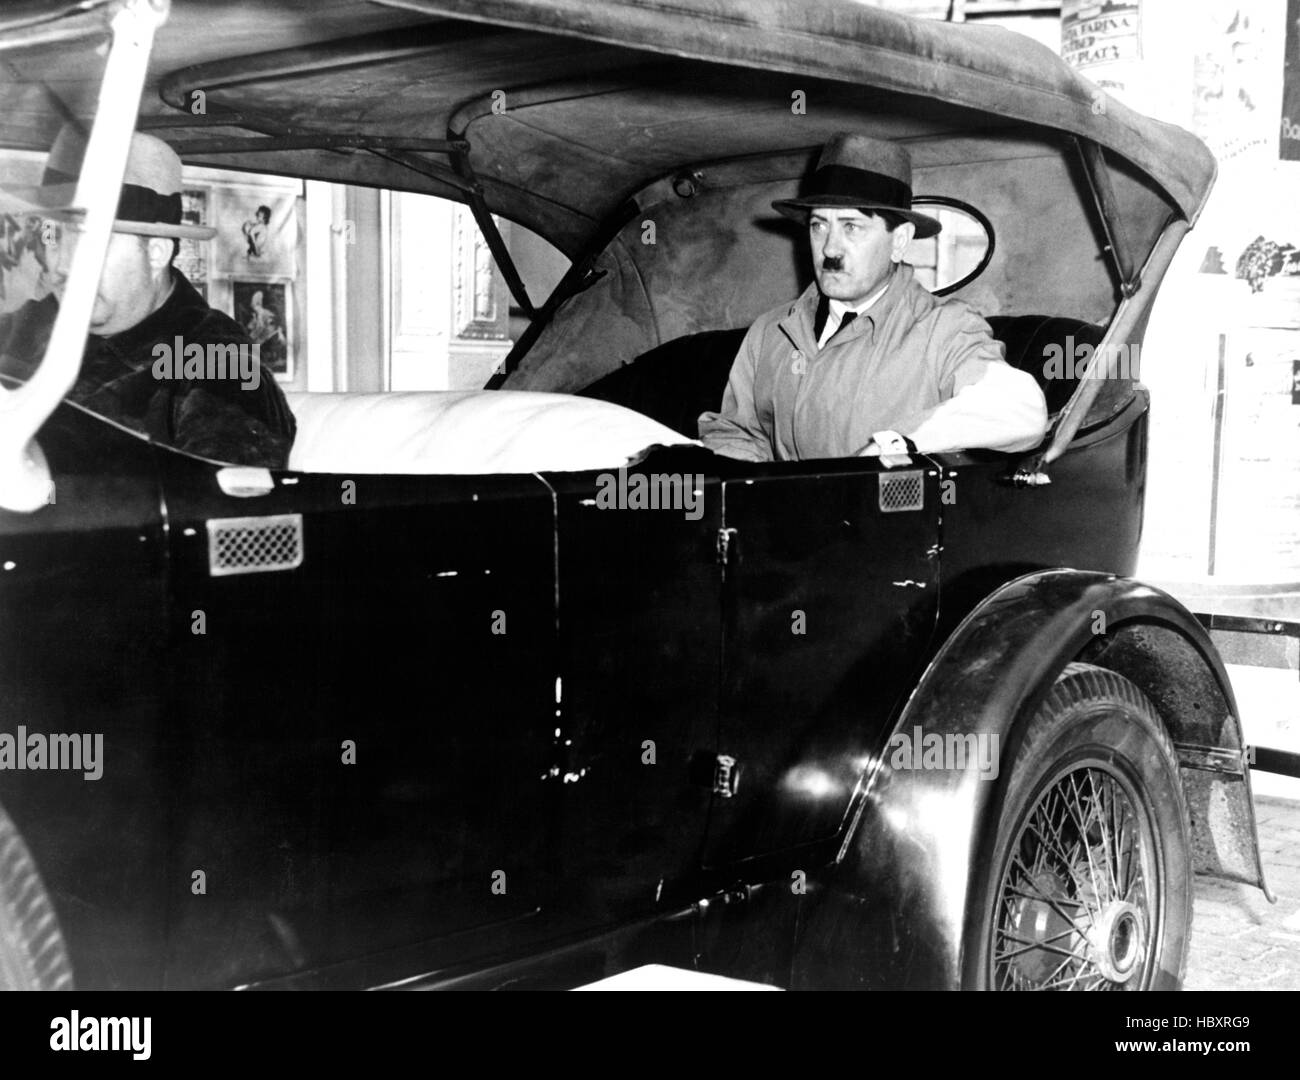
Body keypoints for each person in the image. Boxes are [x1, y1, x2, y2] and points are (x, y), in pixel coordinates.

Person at [698, 133, 1047, 461]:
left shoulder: (945, 330)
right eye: (819, 226)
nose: (830, 248)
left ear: (900, 241)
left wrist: (902, 443)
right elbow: (738, 432)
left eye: (852, 227)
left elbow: (1021, 409)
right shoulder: (771, 331)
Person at [0, 129, 295, 469]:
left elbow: (211, 503)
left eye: (87, 239)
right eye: (52, 236)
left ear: (155, 253)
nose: (61, 263)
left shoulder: (217, 363)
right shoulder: (25, 327)